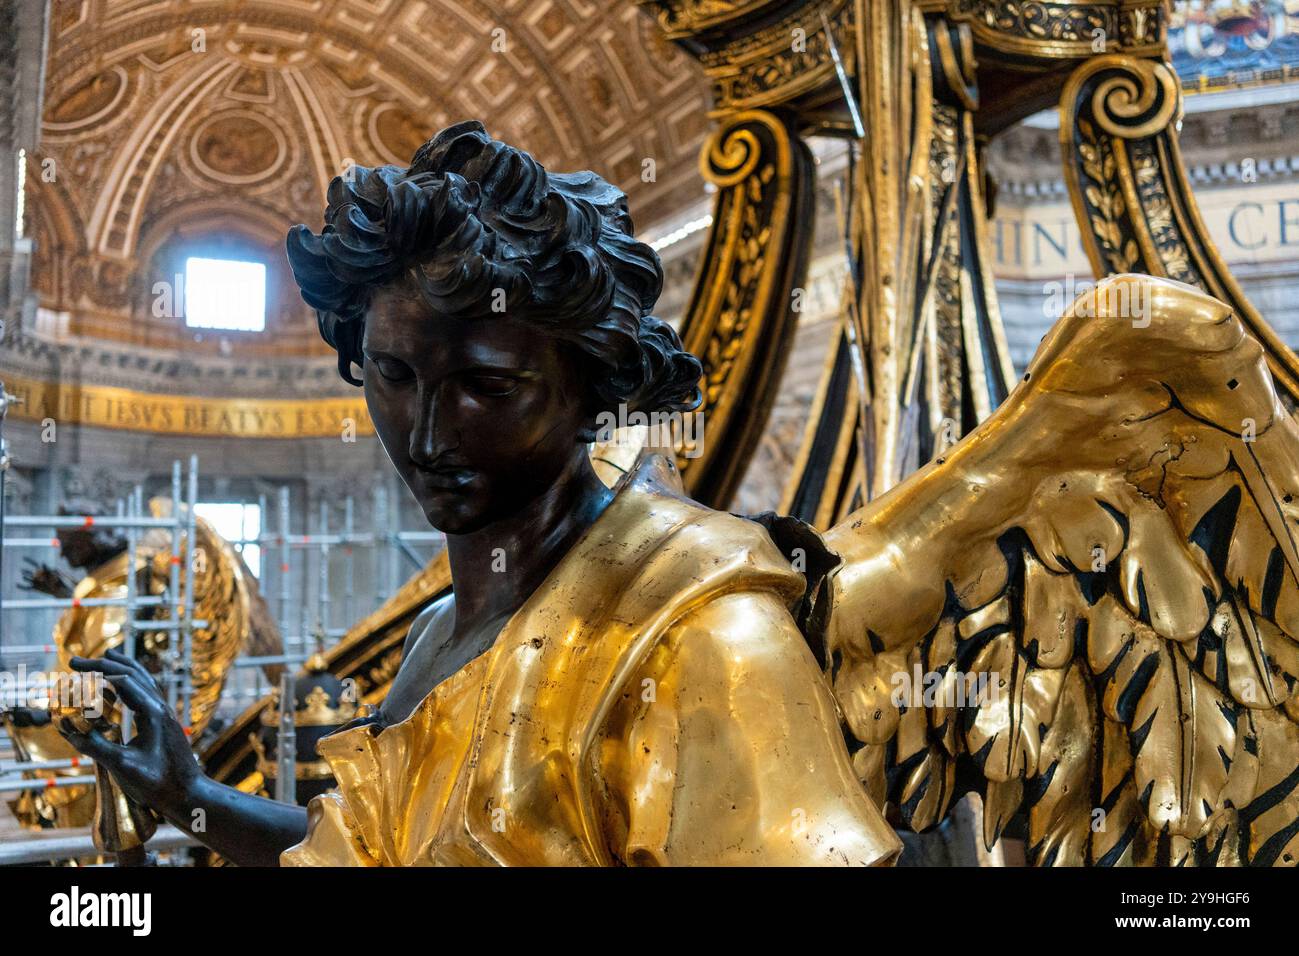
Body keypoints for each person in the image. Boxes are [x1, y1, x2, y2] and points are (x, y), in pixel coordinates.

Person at [58, 121, 900, 866]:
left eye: (486, 388)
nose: (426, 437)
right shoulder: (433, 636)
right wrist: (192, 797)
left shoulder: (698, 634)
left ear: (595, 393)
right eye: (392, 374)